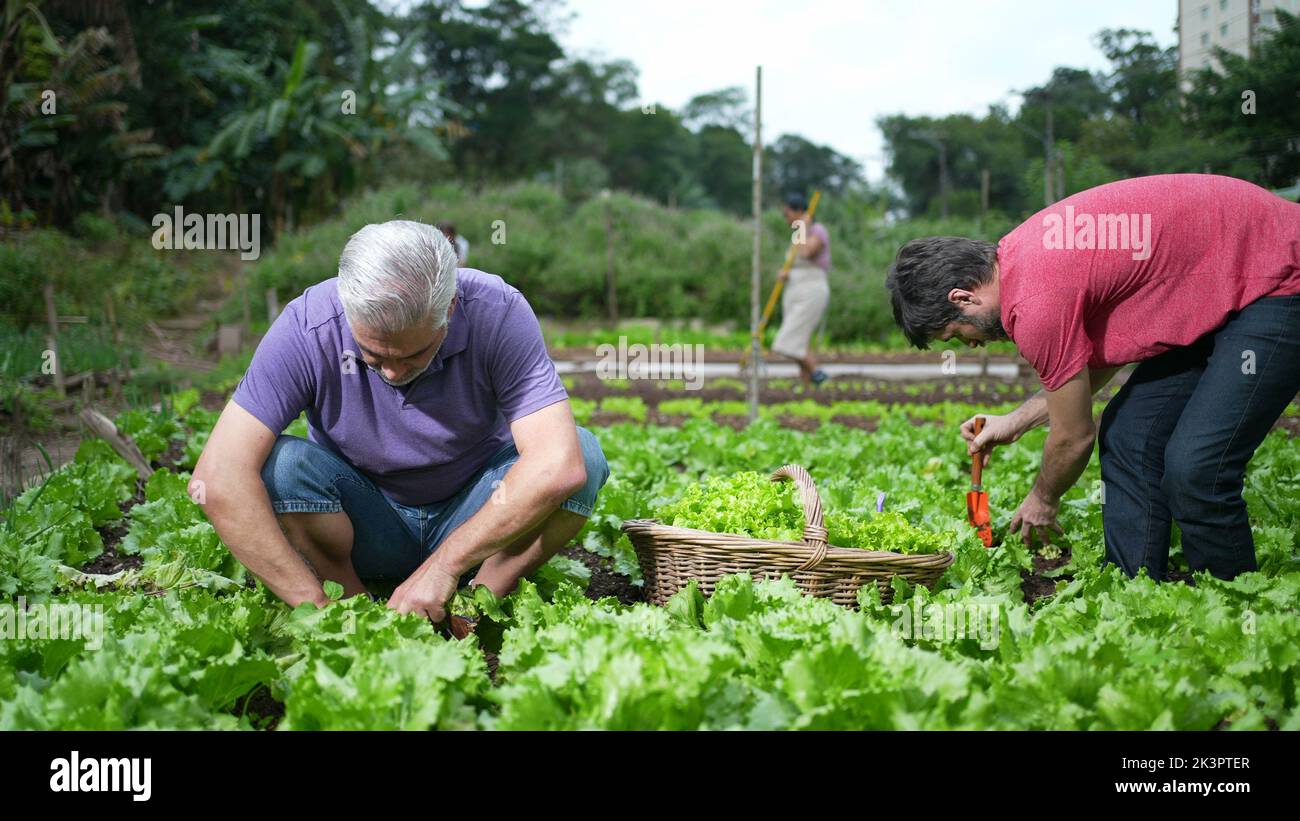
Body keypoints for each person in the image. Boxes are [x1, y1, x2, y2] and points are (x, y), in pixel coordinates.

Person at [885, 173, 1300, 581]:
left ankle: (1231, 600)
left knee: (1196, 467)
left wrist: (1043, 499)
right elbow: (1089, 363)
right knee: (1128, 435)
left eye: (956, 334)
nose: (971, 345)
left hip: (1278, 276)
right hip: (1222, 288)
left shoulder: (1034, 302)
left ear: (963, 297)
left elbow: (1073, 436)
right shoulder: (1023, 259)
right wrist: (1014, 422)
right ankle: (1134, 584)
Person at [192, 220, 609, 623]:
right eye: (373, 356)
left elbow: (558, 463)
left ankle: (477, 601)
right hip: (366, 524)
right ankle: (353, 606)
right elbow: (218, 476)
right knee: (279, 467)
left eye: (411, 354)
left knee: (581, 454)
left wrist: (445, 566)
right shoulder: (307, 326)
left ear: (450, 307)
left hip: (477, 514)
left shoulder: (497, 312)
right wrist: (313, 607)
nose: (392, 372)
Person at [771, 192, 831, 388]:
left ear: (799, 212)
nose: (786, 218)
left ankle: (817, 374)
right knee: (800, 341)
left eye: (788, 214)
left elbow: (806, 252)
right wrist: (785, 273)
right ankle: (807, 387)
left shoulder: (817, 230)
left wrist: (803, 228)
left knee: (787, 341)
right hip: (794, 289)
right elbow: (795, 263)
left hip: (811, 290)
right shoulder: (797, 233)